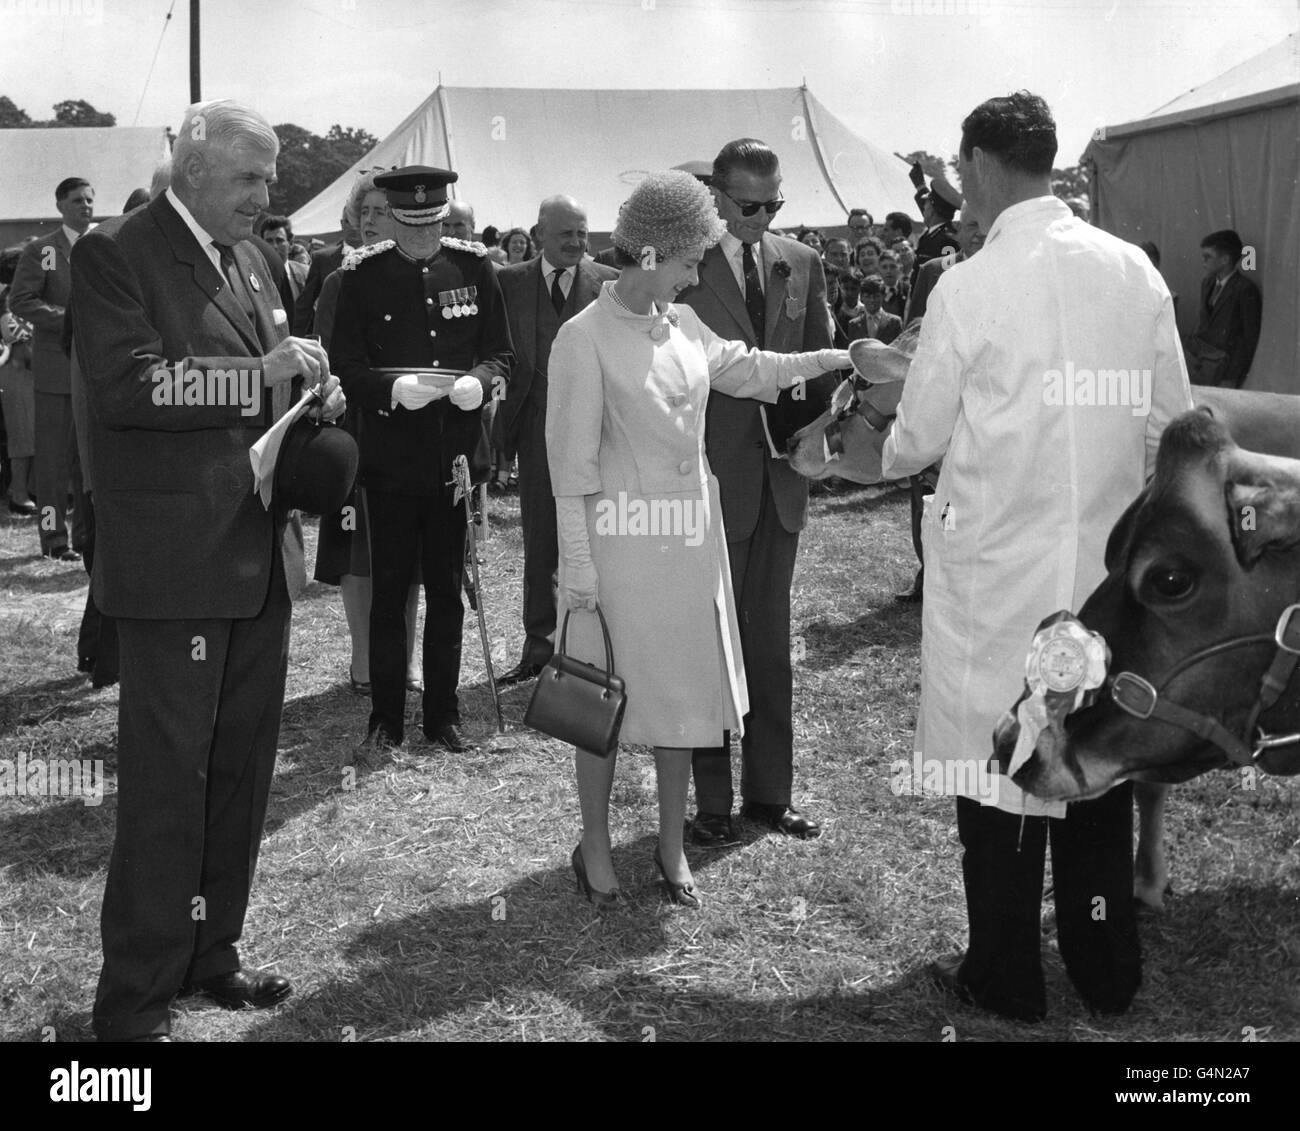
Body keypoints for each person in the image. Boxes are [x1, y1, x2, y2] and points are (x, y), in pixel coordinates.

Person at [881, 91, 1191, 1022]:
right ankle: (1104, 967)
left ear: (977, 164)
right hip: (1098, 573)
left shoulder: (968, 285)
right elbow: (1176, 422)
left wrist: (884, 427)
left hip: (996, 572)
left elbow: (918, 437)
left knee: (998, 770)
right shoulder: (1133, 271)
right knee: (1088, 763)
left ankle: (1006, 971)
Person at [71, 98, 344, 1042]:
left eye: (270, 179)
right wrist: (257, 376)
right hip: (172, 569)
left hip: (253, 559)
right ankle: (136, 1001)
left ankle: (210, 952)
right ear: (192, 169)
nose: (267, 197)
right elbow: (131, 383)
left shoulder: (255, 257)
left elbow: (263, 376)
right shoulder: (116, 254)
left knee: (238, 773)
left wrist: (308, 387)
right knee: (166, 785)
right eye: (250, 178)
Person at [547, 170, 848, 906]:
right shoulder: (581, 339)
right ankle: (594, 846)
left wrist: (840, 358)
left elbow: (750, 371)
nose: (697, 273)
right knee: (603, 701)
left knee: (684, 697)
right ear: (653, 254)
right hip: (619, 547)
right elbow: (569, 467)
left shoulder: (681, 322)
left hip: (691, 544)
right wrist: (579, 571)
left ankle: (672, 846)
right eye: (690, 261)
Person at [676, 137, 837, 847]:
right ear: (715, 194)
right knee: (712, 642)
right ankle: (712, 801)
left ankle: (770, 794)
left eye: (774, 204)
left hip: (780, 484)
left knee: (769, 645)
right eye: (747, 205)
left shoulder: (801, 262)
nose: (761, 217)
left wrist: (819, 428)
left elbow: (822, 360)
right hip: (712, 479)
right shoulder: (681, 262)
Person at [332, 165, 513, 756]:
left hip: (454, 458)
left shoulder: (473, 267)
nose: (421, 237)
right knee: (388, 595)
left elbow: (501, 353)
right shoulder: (364, 276)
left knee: (445, 589)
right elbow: (346, 368)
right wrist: (389, 388)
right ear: (392, 218)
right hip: (390, 458)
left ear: (442, 216)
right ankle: (386, 715)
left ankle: (442, 712)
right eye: (410, 226)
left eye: (430, 224)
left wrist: (480, 383)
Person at [495, 195, 616, 687]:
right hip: (535, 432)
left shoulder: (608, 283)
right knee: (541, 539)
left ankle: (593, 648)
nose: (576, 242)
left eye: (583, 234)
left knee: (597, 540)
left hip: (600, 435)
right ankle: (539, 647)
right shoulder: (509, 282)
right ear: (540, 232)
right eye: (566, 233)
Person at [310, 169, 423, 697]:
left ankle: (407, 657)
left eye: (384, 210)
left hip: (415, 429)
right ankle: (364, 659)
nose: (373, 220)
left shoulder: (426, 275)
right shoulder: (339, 281)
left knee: (410, 550)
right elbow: (330, 359)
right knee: (359, 551)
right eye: (366, 212)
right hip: (357, 427)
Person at [10, 176, 95, 562]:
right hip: (55, 375)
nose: (86, 207)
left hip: (93, 374)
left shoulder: (100, 248)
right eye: (77, 200)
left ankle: (85, 538)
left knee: (86, 463)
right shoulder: (45, 252)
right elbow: (21, 300)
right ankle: (52, 538)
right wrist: (68, 320)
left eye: (90, 200)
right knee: (52, 466)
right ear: (60, 205)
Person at [1185, 228, 1262, 389]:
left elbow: (1249, 339)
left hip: (1226, 373)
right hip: (1202, 367)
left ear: (1225, 259)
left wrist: (1234, 376)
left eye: (1208, 257)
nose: (1203, 262)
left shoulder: (1245, 290)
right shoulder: (1207, 284)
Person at [0, 245, 37, 516]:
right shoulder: (6, 299)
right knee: (23, 432)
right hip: (13, 371)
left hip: (34, 369)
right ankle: (19, 491)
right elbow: (14, 334)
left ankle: (30, 488)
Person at [293, 208, 361, 335]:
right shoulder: (322, 259)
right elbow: (304, 305)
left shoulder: (381, 257)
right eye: (348, 222)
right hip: (332, 341)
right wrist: (297, 338)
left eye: (357, 221)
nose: (353, 227)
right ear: (342, 224)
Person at [256, 214, 308, 301]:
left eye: (279, 240)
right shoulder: (254, 276)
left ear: (290, 244)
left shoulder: (306, 274)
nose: (274, 246)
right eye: (269, 241)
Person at [846, 275, 902, 344]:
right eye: (868, 296)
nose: (872, 300)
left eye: (876, 296)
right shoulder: (853, 324)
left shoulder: (895, 322)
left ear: (883, 296)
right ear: (861, 297)